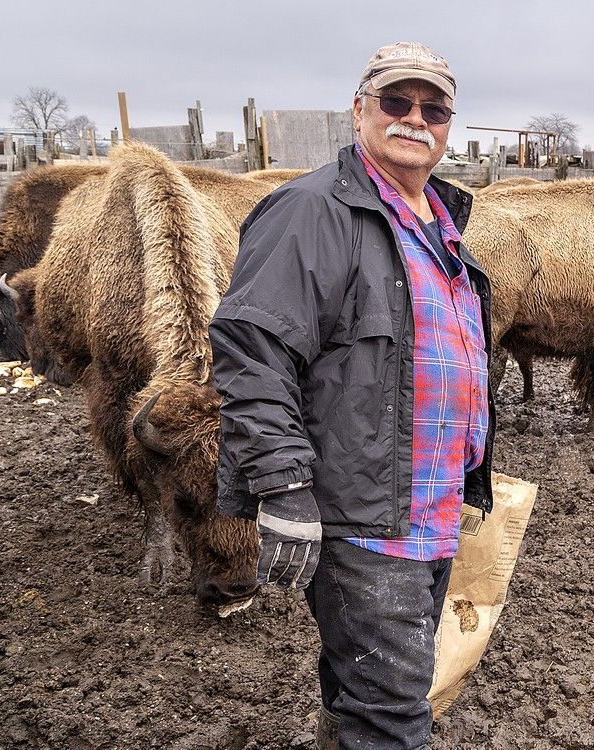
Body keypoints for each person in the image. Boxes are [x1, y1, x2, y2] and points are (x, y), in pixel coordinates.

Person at [209, 42, 495, 750]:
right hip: (364, 519)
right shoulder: (312, 211)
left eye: (433, 108)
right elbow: (253, 349)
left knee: (364, 690)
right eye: (396, 102)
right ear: (360, 110)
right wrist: (284, 485)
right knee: (396, 719)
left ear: (449, 125)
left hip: (430, 506)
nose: (414, 118)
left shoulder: (440, 220)